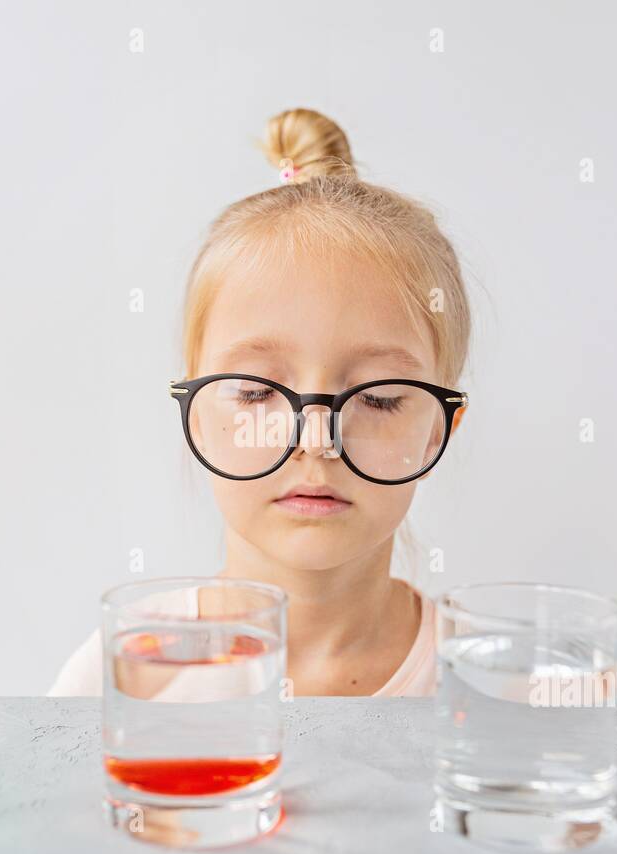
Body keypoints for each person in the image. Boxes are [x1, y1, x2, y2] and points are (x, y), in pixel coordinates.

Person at [49, 107, 471, 698]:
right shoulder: (124, 675)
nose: (317, 440)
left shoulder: (488, 681)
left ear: (438, 429)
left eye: (378, 398)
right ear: (195, 413)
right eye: (255, 391)